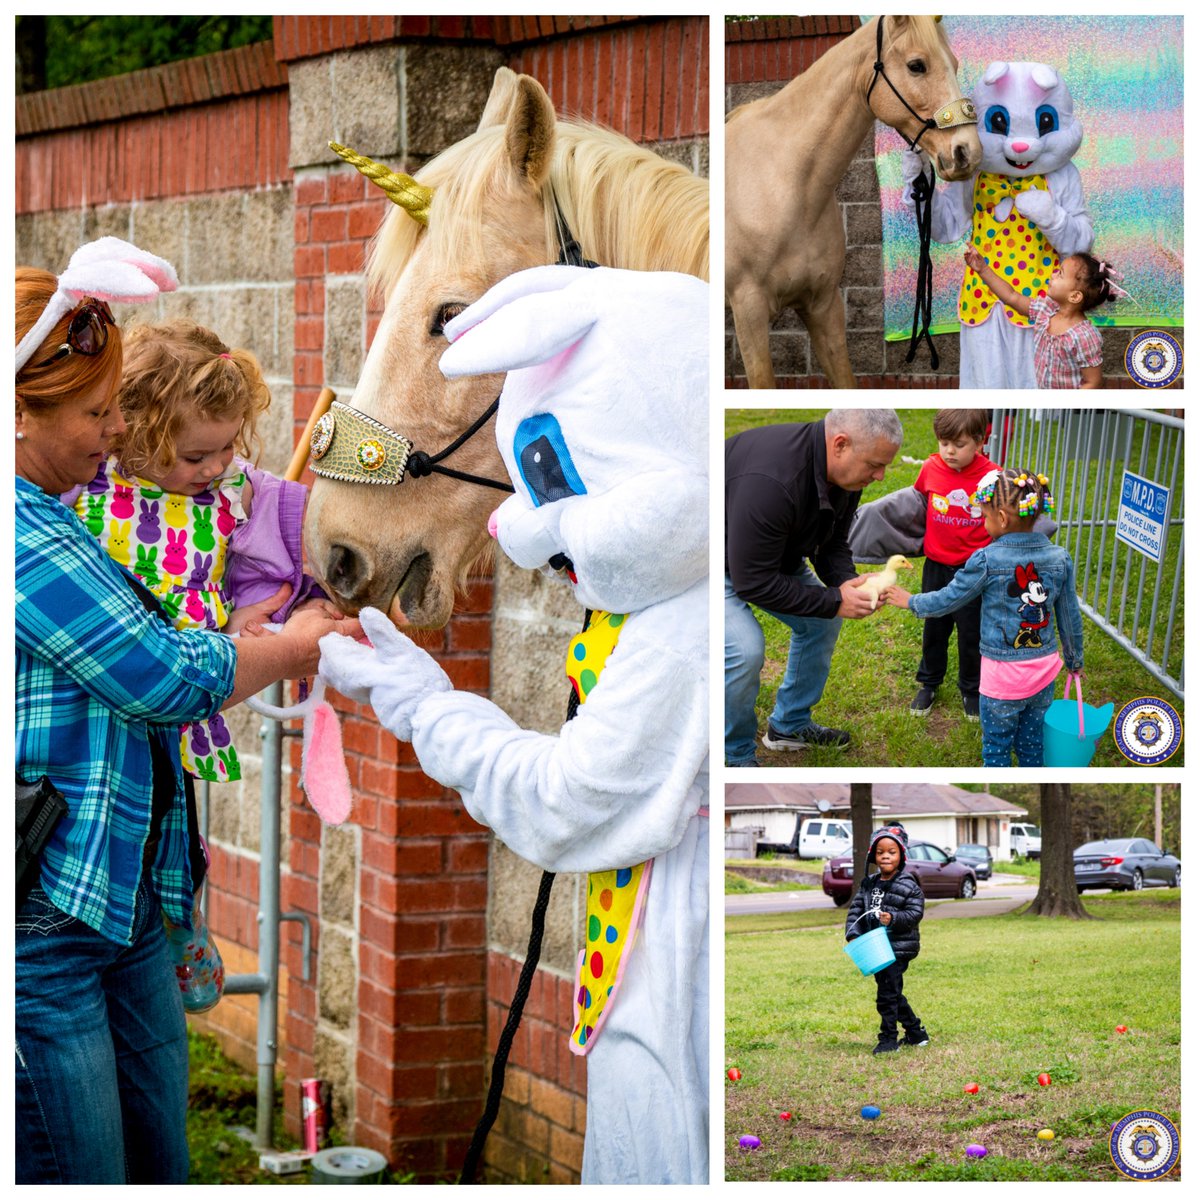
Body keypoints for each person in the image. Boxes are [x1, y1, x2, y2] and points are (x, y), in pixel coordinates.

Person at [15, 238, 358, 1184]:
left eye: (118, 405)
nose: (115, 430)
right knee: (81, 1167)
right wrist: (295, 645)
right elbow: (161, 676)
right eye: (95, 411)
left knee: (158, 1160)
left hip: (119, 900)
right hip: (44, 920)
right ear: (16, 411)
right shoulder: (22, 536)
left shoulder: (65, 504)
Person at [66, 319, 327, 784]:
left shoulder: (235, 489)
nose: (215, 464)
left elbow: (286, 554)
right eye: (194, 456)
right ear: (137, 433)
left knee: (168, 813)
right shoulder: (91, 480)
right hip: (95, 699)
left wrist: (248, 617)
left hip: (192, 692)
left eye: (227, 445)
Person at [724, 409, 903, 766]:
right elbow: (753, 581)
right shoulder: (772, 481)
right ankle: (735, 754)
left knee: (823, 620)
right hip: (717, 562)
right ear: (840, 445)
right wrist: (835, 600)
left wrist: (844, 581)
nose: (881, 477)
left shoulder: (846, 475)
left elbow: (832, 540)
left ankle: (788, 726)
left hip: (771, 554)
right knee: (744, 650)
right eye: (875, 465)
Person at [885, 466, 1084, 766]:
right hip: (1043, 676)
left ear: (1001, 519)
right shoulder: (1060, 558)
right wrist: (1074, 660)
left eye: (985, 517)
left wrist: (911, 601)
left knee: (997, 748)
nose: (983, 522)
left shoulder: (986, 560)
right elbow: (1069, 617)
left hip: (1002, 680)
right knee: (1033, 748)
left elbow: (949, 598)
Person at [909, 409, 998, 720]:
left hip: (973, 570)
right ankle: (929, 683)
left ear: (979, 441)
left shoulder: (993, 477)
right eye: (944, 442)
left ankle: (971, 689)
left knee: (971, 632)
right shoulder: (931, 467)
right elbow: (919, 502)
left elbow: (1001, 519)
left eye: (958, 444)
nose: (949, 451)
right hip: (936, 564)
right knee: (935, 626)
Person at [964, 247, 1123, 388]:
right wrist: (982, 269)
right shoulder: (1046, 311)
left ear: (1074, 296)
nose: (1053, 274)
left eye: (1060, 273)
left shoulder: (1084, 336)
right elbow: (1011, 297)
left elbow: (1093, 381)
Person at [844, 825, 928, 1055]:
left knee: (886, 996)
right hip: (875, 948)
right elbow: (856, 910)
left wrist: (892, 919)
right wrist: (853, 932)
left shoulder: (908, 884)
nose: (885, 856)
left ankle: (889, 1039)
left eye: (891, 851)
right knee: (891, 992)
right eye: (880, 852)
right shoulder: (869, 883)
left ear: (901, 855)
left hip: (898, 948)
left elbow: (914, 914)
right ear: (873, 855)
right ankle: (916, 1033)